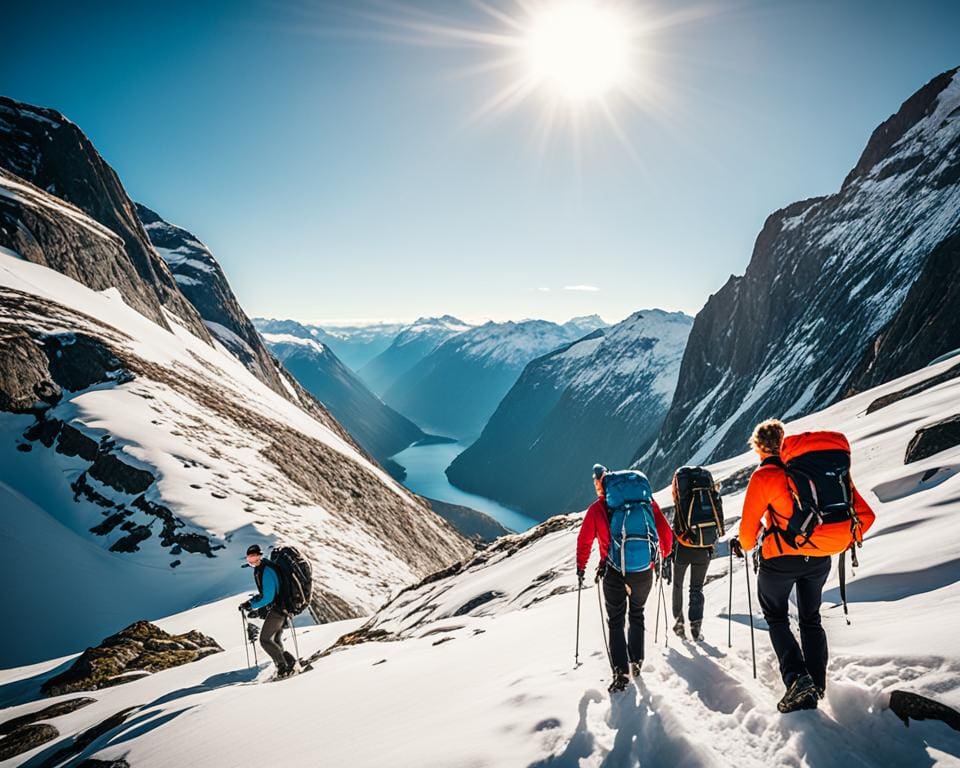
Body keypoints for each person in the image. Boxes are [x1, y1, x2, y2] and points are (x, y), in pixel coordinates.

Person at [734, 419, 874, 713]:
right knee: (811, 618)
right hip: (820, 559)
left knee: (776, 616)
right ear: (785, 442)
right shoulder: (813, 471)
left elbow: (747, 539)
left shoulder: (765, 477)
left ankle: (798, 680)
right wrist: (837, 538)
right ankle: (817, 683)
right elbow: (865, 516)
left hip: (780, 561)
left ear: (759, 448)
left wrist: (762, 534)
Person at [577, 463, 673, 692]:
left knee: (616, 621)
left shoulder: (597, 509)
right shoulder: (646, 503)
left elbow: (584, 541)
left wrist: (581, 567)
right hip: (642, 572)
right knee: (637, 614)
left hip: (614, 573)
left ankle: (620, 673)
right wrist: (658, 558)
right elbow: (666, 535)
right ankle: (636, 661)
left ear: (601, 484)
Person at [240, 544, 298, 678]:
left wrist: (251, 604)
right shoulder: (264, 568)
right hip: (283, 607)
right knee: (275, 639)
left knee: (265, 640)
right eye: (250, 558)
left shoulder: (265, 570)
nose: (252, 560)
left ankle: (283, 668)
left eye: (254, 557)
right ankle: (290, 662)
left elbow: (268, 596)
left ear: (260, 555)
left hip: (278, 608)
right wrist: (251, 603)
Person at [670, 536, 711, 641]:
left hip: (683, 549)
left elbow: (676, 529)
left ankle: (679, 623)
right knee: (696, 588)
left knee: (677, 585)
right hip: (703, 549)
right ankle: (695, 628)